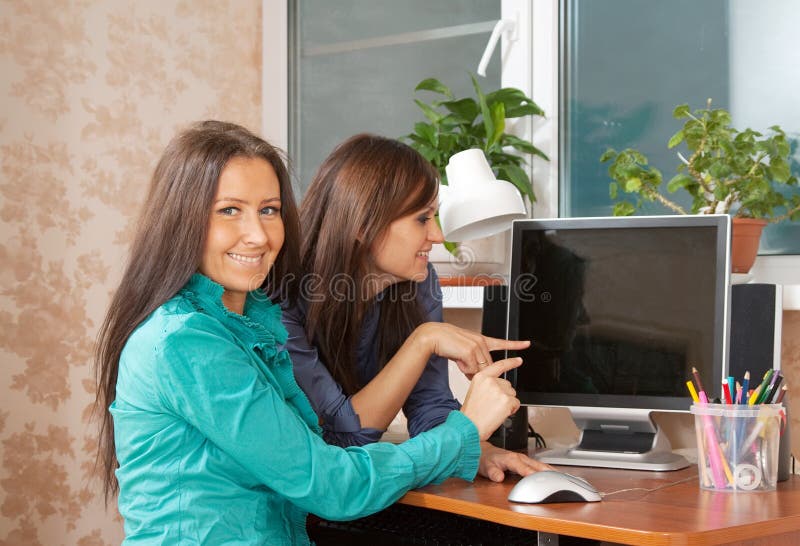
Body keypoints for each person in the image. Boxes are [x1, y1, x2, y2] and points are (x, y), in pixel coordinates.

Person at [94, 121, 523, 545]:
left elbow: (316, 458)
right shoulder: (188, 342)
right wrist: (464, 431)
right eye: (229, 210)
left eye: (269, 210)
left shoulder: (253, 319)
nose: (258, 235)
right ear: (183, 220)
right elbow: (331, 482)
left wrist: (470, 446)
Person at [283, 134, 549, 483]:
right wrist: (423, 341)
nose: (438, 236)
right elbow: (341, 438)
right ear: (363, 225)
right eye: (422, 219)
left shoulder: (420, 284)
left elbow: (430, 406)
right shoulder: (281, 296)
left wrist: (476, 448)